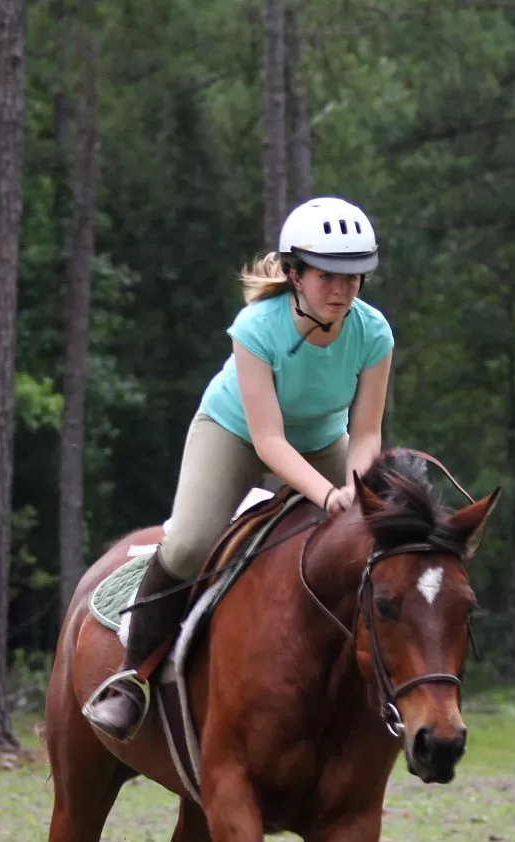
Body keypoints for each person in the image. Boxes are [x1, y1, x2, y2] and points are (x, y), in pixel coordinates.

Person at [82, 195, 395, 742]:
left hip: (324, 440)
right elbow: (269, 440)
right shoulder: (255, 326)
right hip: (236, 434)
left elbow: (366, 433)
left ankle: (382, 686)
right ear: (294, 274)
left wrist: (355, 489)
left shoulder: (374, 333)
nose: (343, 291)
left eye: (354, 278)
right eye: (328, 277)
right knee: (186, 545)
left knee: (382, 534)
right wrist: (327, 497)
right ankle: (131, 679)